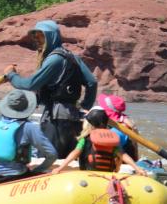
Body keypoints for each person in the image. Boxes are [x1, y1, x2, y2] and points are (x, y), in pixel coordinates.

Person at [5, 20, 98, 158]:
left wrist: (11, 75)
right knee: (66, 155)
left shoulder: (55, 59)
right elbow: (92, 83)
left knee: (51, 156)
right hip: (72, 114)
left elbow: (30, 84)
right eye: (35, 37)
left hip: (56, 117)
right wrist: (84, 107)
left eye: (41, 36)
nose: (37, 40)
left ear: (51, 37)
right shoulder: (71, 56)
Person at [0, 89, 58, 185]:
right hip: (17, 177)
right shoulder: (29, 127)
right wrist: (37, 170)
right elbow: (52, 154)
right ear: (27, 108)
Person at [52, 108, 147, 175]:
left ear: (90, 124)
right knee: (118, 158)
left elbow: (75, 153)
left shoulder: (86, 138)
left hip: (88, 174)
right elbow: (123, 155)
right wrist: (137, 168)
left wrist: (60, 168)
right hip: (107, 175)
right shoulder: (112, 139)